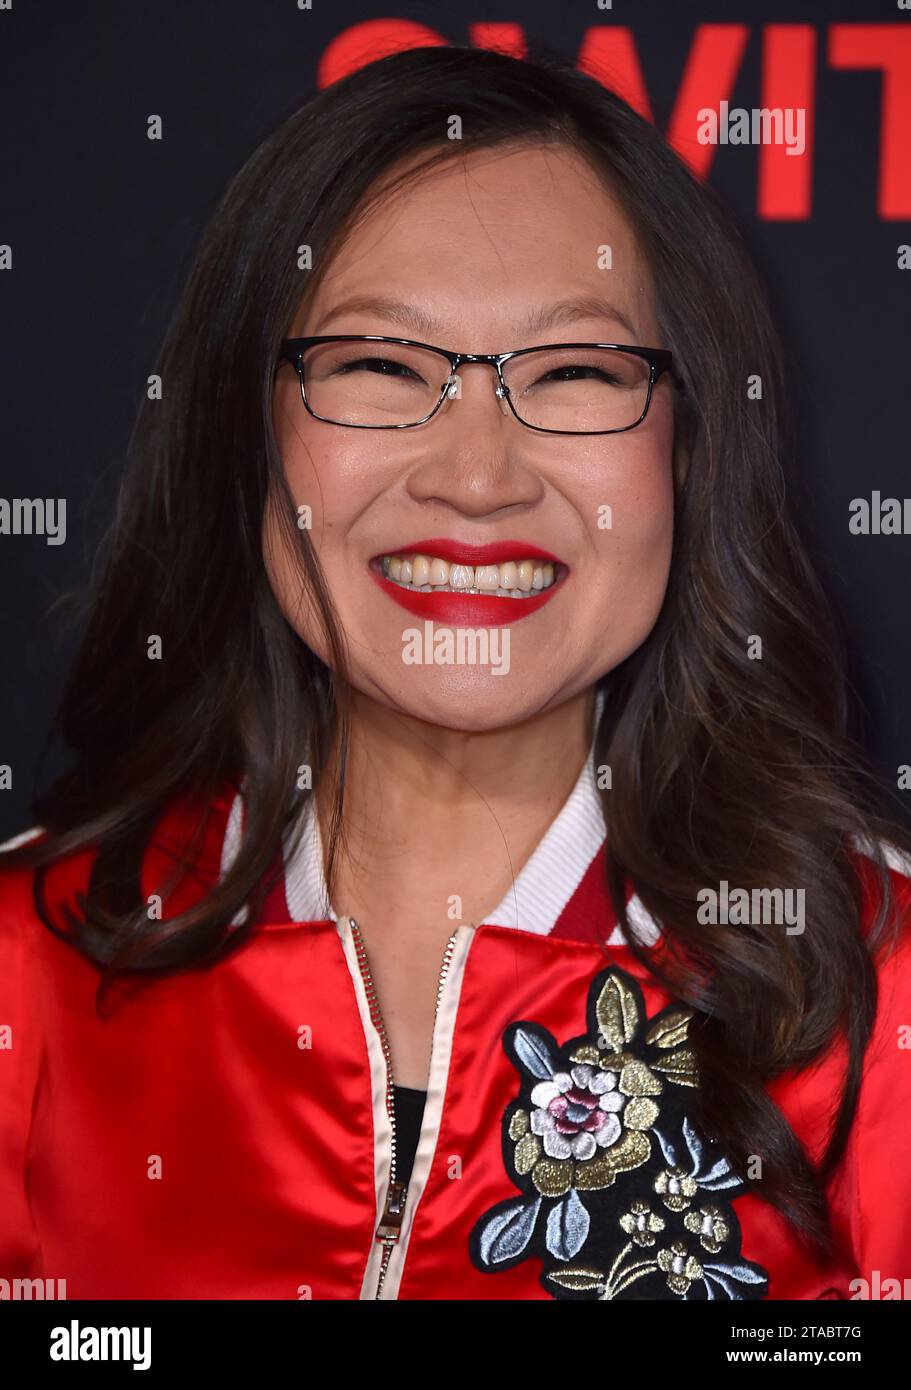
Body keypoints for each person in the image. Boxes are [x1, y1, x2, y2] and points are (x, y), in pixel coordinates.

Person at [1, 43, 910, 1303]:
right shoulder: (29, 964)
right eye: (379, 365)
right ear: (249, 436)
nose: (476, 476)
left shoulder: (879, 996)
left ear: (689, 452)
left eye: (576, 374)